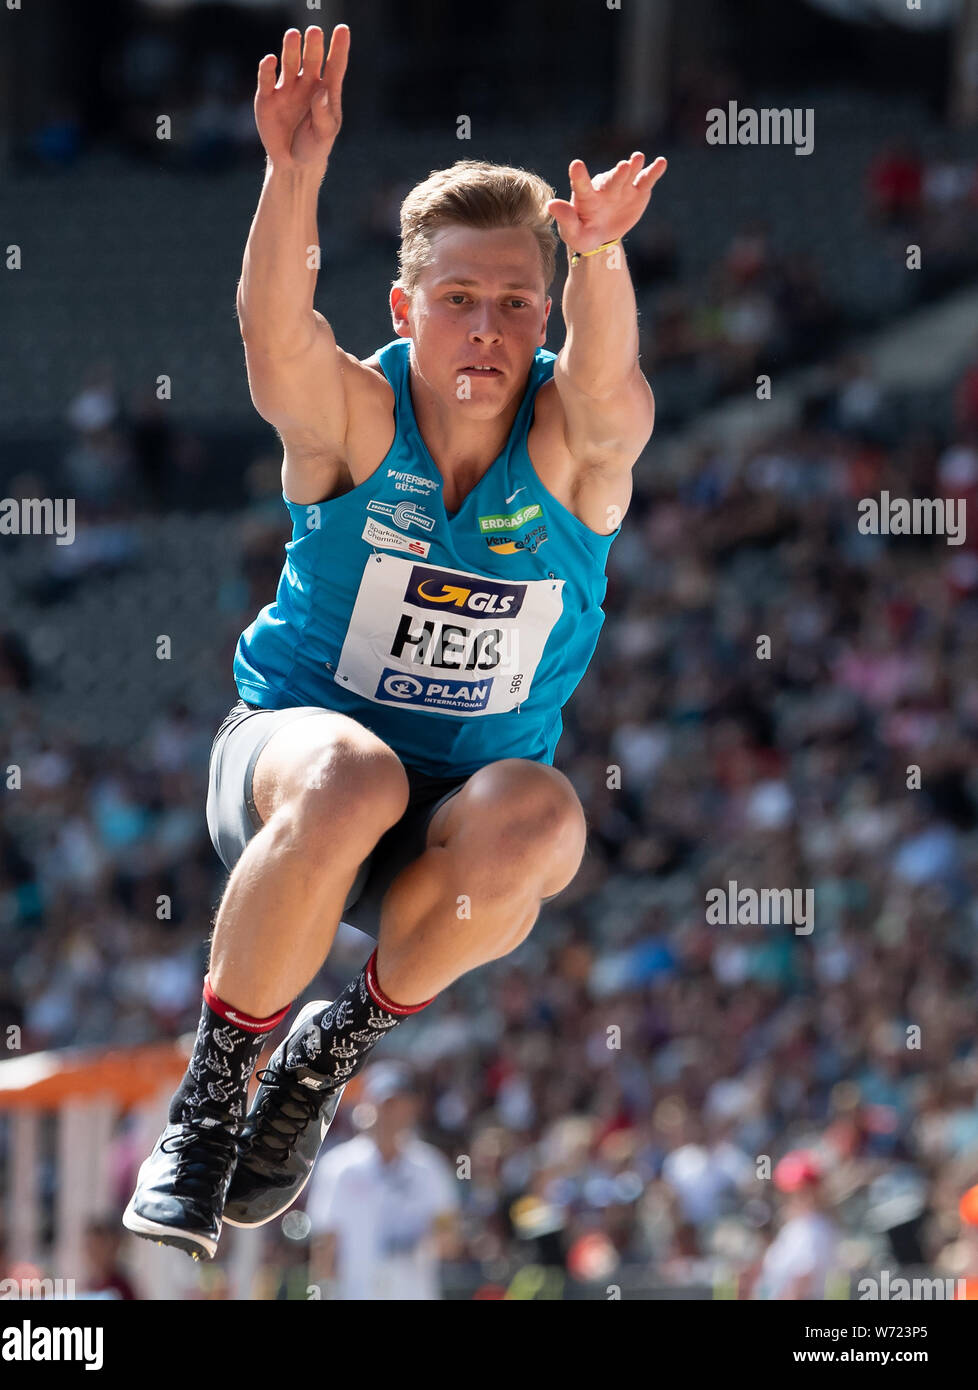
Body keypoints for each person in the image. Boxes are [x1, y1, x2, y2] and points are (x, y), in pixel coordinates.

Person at [124, 22, 665, 1261]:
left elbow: (609, 382)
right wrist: (294, 171)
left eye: (516, 303)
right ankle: (208, 1106)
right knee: (353, 772)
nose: (488, 328)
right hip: (295, 771)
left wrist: (601, 258)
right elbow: (273, 341)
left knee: (546, 816)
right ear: (404, 305)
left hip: (449, 826)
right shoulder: (360, 420)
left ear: (547, 313)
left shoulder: (576, 447)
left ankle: (326, 1056)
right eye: (458, 299)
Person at [307, 1062, 460, 1300]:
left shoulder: (430, 1167)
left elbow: (449, 1238)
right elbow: (324, 1242)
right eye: (387, 1104)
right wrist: (323, 1290)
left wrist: (422, 1243)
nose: (393, 1114)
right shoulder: (339, 1167)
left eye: (401, 1105)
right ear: (366, 1105)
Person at [752, 1150, 839, 1300]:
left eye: (802, 1191)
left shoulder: (814, 1229)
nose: (794, 1198)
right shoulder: (796, 1226)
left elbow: (799, 1289)